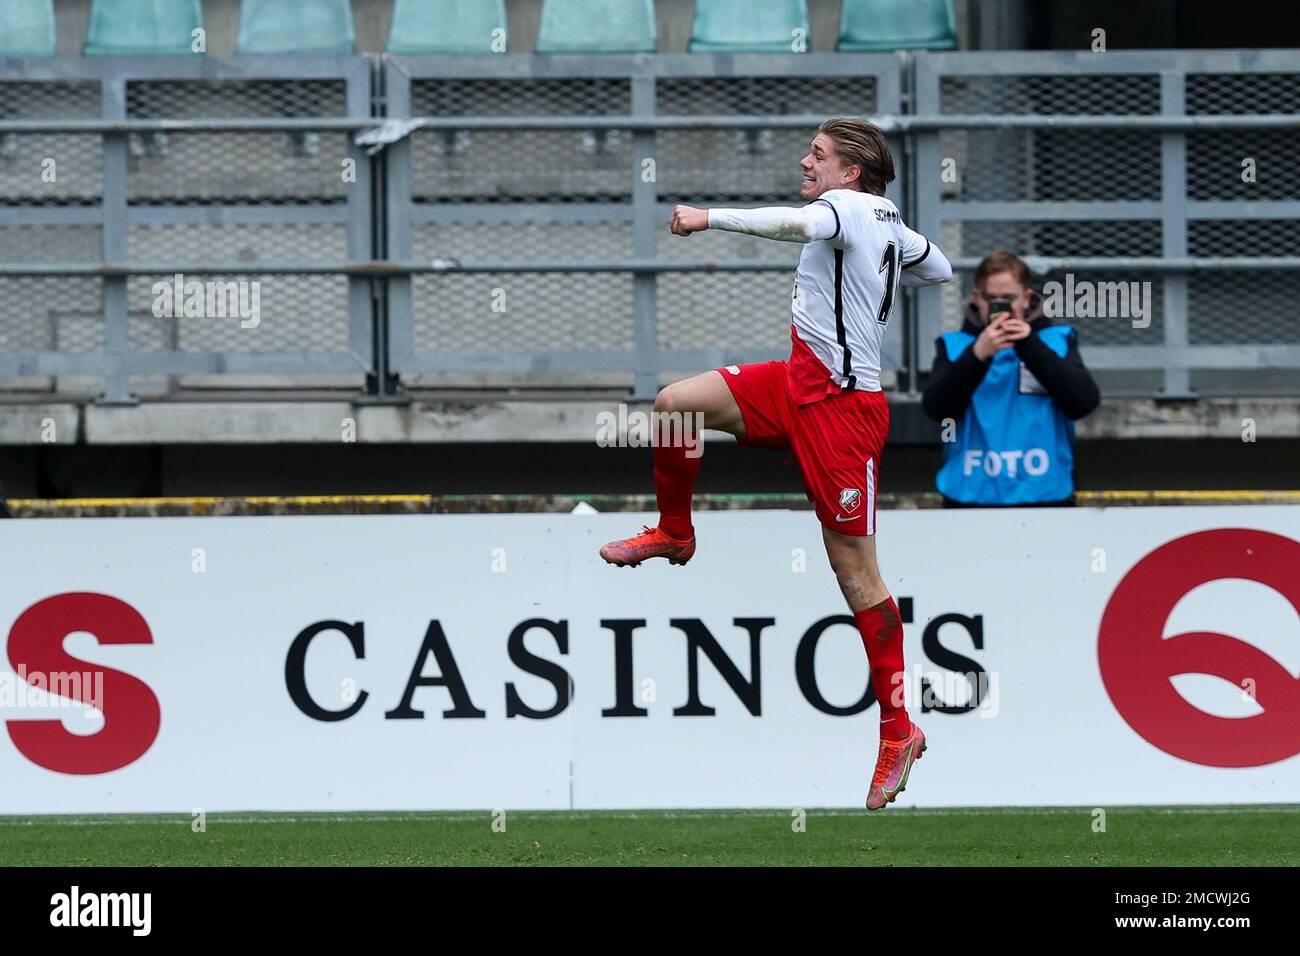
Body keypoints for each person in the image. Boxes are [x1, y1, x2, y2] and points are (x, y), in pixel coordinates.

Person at [599, 118, 952, 810]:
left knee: (855, 569)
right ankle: (676, 530)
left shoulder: (845, 207)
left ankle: (897, 727)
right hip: (798, 382)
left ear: (850, 171)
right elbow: (937, 266)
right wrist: (891, 253)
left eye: (818, 155)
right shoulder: (881, 215)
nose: (805, 161)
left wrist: (707, 218)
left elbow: (793, 226)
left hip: (843, 411)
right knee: (676, 404)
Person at [921, 251, 1101, 507]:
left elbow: (1083, 403)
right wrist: (977, 356)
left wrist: (1029, 345)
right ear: (976, 299)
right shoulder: (955, 346)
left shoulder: (1056, 342)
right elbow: (938, 410)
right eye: (991, 299)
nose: (1000, 308)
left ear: (1027, 299)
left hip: (1045, 495)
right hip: (970, 497)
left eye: (1008, 299)